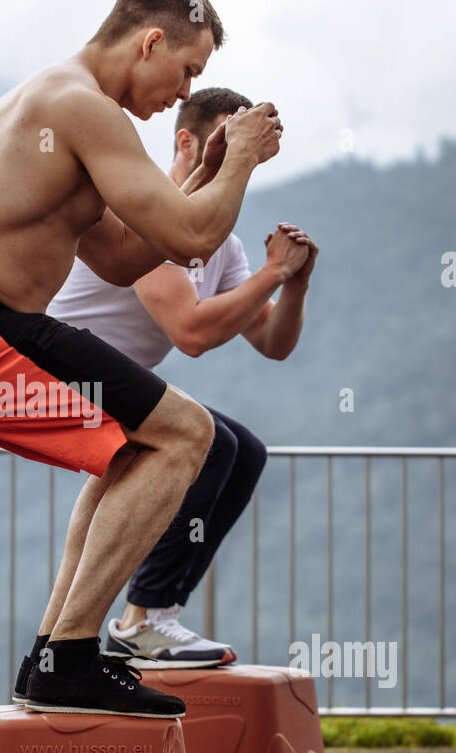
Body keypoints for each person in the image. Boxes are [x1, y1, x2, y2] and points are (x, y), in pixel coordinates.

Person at [0, 0, 284, 719]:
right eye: (187, 69)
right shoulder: (83, 108)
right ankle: (73, 654)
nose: (180, 92)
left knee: (142, 451)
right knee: (189, 434)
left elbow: (129, 256)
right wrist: (244, 159)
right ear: (151, 39)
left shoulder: (58, 108)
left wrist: (213, 170)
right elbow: (190, 235)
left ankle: (51, 657)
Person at [47, 88, 318, 669]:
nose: (230, 163)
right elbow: (191, 331)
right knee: (210, 442)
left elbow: (272, 342)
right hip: (61, 376)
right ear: (186, 142)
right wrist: (271, 271)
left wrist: (290, 284)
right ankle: (136, 623)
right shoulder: (153, 213)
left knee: (244, 451)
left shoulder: (224, 245)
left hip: (120, 386)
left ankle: (153, 615)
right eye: (221, 148)